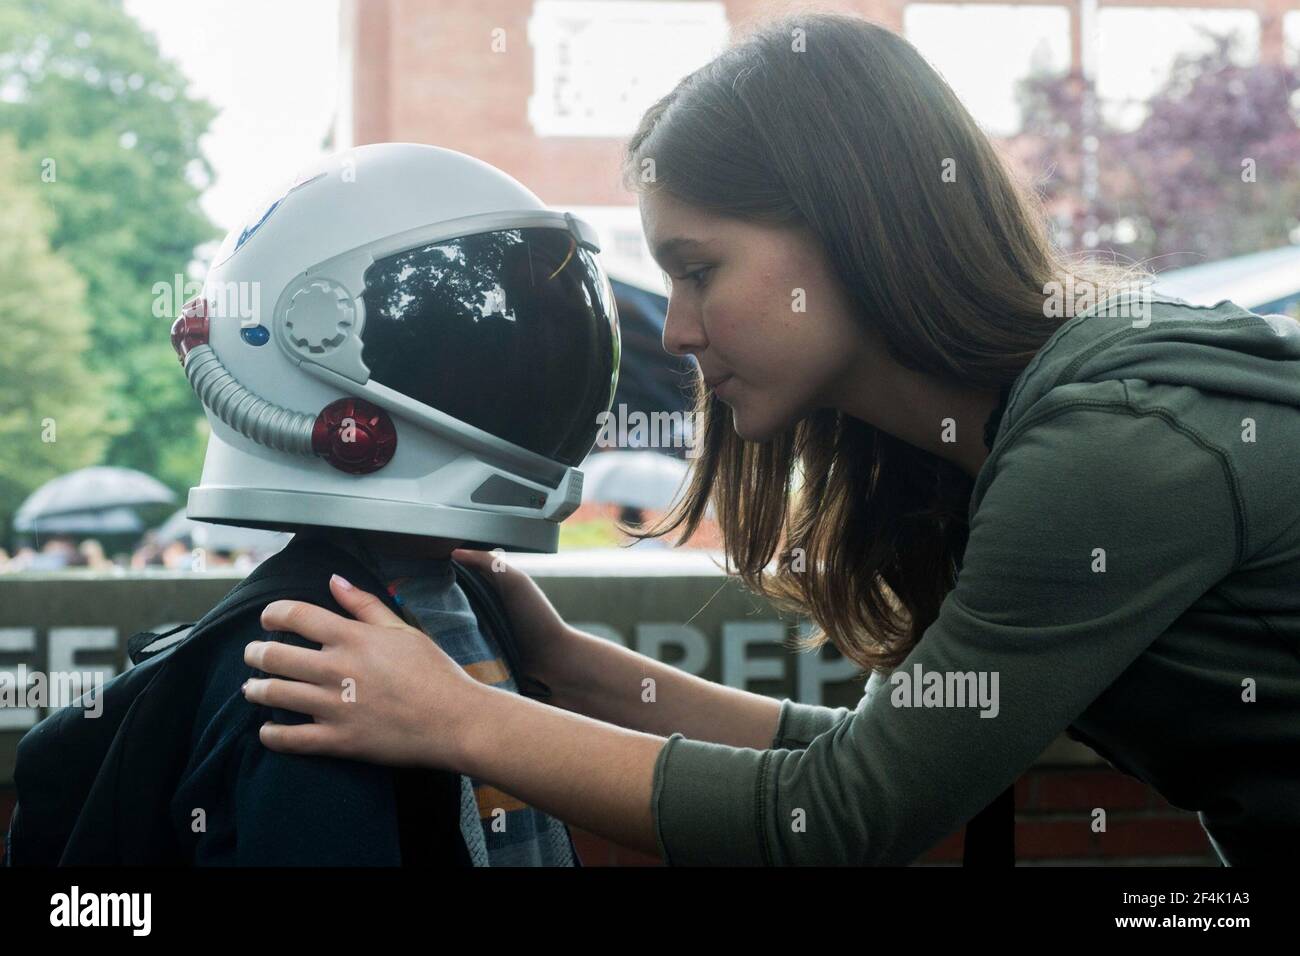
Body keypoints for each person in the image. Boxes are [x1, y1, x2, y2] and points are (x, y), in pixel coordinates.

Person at [241, 13, 1300, 866]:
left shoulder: (1111, 449)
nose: (680, 329)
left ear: (851, 225)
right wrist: (564, 664)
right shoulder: (1021, 438)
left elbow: (840, 816)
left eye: (698, 268)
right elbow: (865, 757)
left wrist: (459, 721)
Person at [6, 142, 619, 866]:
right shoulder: (312, 661)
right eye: (474, 344)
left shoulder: (463, 603)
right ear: (313, 335)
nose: (530, 372)